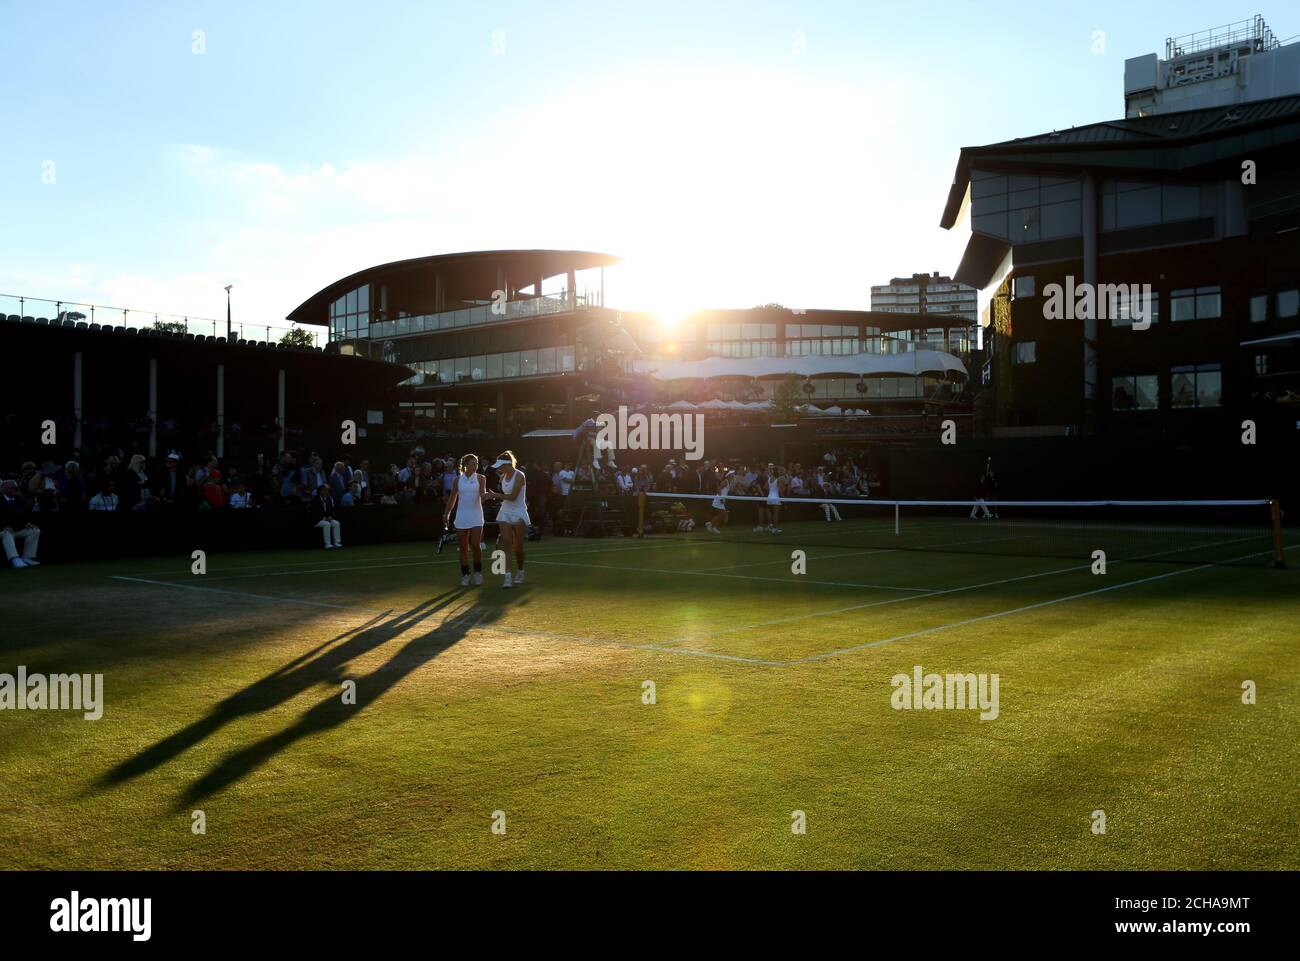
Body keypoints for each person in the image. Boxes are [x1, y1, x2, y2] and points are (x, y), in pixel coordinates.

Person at [485, 451, 529, 588]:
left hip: (519, 511)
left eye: (501, 466)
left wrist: (495, 495)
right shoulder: (502, 476)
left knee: (518, 547)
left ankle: (521, 571)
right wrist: (490, 496)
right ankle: (508, 576)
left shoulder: (520, 475)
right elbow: (503, 496)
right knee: (506, 543)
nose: (498, 469)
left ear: (508, 464)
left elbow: (513, 496)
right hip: (505, 511)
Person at [444, 453, 487, 587]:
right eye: (473, 463)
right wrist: (446, 514)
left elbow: (482, 495)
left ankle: (478, 573)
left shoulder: (481, 478)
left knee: (475, 545)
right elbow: (452, 499)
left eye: (476, 464)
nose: (475, 466)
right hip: (462, 516)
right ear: (466, 465)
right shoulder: (457, 480)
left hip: (476, 516)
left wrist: (488, 496)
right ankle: (465, 575)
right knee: (463, 548)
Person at [1, 478, 41, 568]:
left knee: (35, 530)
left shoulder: (18, 499)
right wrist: (3, 526)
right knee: (7, 533)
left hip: (16, 529)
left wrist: (27, 523)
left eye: (15, 488)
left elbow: (23, 516)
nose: (15, 489)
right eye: (12, 487)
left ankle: (27, 557)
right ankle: (14, 559)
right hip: (3, 530)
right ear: (4, 489)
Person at [310, 484, 343, 549]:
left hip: (326, 519)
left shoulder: (328, 499)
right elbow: (315, 513)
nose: (326, 492)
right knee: (327, 524)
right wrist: (325, 518)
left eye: (327, 491)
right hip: (317, 520)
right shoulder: (315, 500)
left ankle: (337, 542)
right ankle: (327, 544)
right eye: (324, 490)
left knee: (336, 523)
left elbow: (330, 510)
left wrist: (330, 517)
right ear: (320, 491)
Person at [706, 470, 734, 535]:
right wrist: (721, 498)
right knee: (723, 515)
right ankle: (711, 524)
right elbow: (718, 489)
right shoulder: (725, 481)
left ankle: (712, 525)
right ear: (729, 475)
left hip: (722, 500)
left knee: (721, 515)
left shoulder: (729, 482)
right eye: (732, 474)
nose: (733, 475)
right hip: (719, 499)